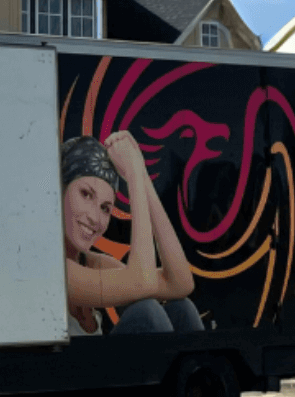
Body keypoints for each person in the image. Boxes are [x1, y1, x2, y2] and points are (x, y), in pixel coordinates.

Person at [60, 133, 203, 336]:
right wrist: (133, 175)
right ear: (59, 191)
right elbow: (142, 280)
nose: (94, 218)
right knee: (147, 313)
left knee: (182, 308)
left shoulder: (91, 263)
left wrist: (142, 175)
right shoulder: (53, 269)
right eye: (86, 194)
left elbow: (179, 283)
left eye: (105, 208)